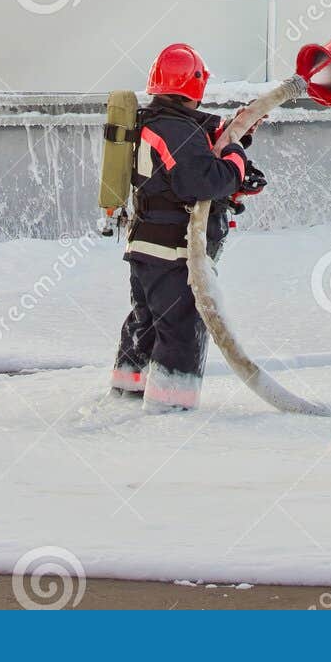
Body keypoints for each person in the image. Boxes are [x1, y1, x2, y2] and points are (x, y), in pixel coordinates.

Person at [110, 42, 264, 412]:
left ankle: (127, 392)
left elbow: (187, 159)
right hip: (174, 251)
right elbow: (201, 181)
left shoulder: (150, 123)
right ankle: (171, 407)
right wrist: (236, 158)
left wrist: (234, 135)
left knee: (144, 321)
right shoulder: (175, 130)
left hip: (146, 247)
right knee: (180, 326)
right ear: (196, 85)